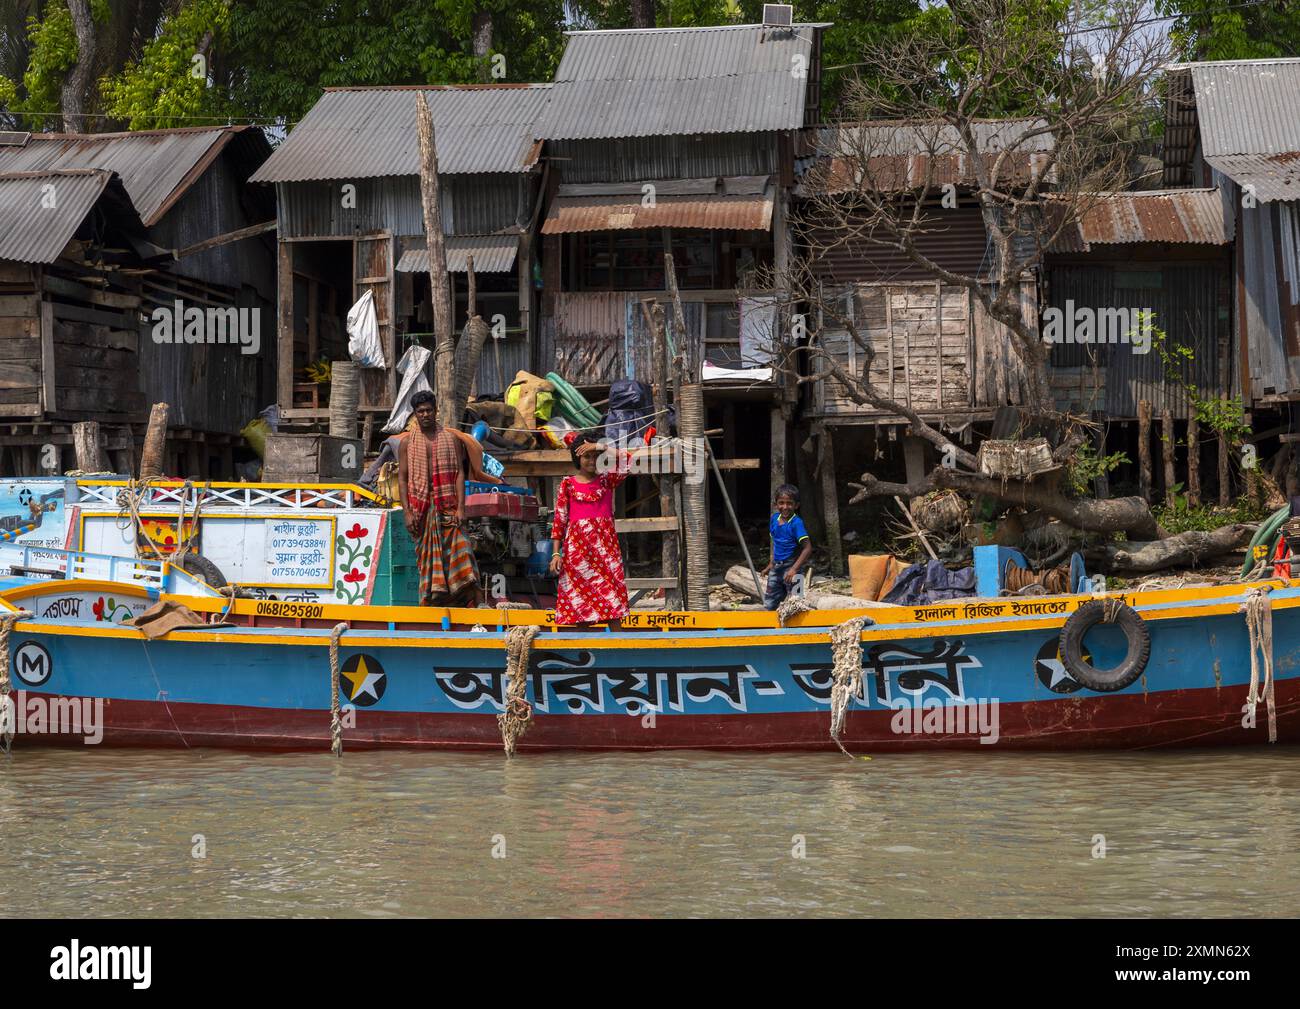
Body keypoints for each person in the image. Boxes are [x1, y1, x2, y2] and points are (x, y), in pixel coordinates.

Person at [397, 390, 478, 606]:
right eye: (420, 411)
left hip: (448, 505)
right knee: (428, 560)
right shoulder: (406, 443)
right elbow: (402, 479)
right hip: (421, 509)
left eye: (428, 410)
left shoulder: (451, 439)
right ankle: (433, 601)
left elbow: (460, 473)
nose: (425, 415)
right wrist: (406, 511)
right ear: (415, 414)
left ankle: (464, 600)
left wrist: (462, 507)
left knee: (462, 549)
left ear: (436, 411)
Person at [548, 433, 630, 626]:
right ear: (578, 458)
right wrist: (555, 554)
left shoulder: (607, 480)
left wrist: (600, 446)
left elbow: (627, 460)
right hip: (578, 553)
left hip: (605, 551)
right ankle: (583, 649)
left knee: (613, 603)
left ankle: (618, 650)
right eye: (587, 456)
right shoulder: (567, 484)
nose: (592, 461)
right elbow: (559, 520)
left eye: (595, 456)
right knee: (579, 605)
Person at [761, 483, 812, 611]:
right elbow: (775, 542)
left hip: (794, 568)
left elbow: (807, 548)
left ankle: (799, 630)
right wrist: (770, 564)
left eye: (789, 503)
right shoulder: (774, 519)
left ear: (796, 505)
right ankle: (772, 630)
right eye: (781, 503)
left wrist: (794, 569)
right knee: (770, 603)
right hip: (776, 567)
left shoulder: (797, 523)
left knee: (797, 604)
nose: (785, 507)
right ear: (776, 504)